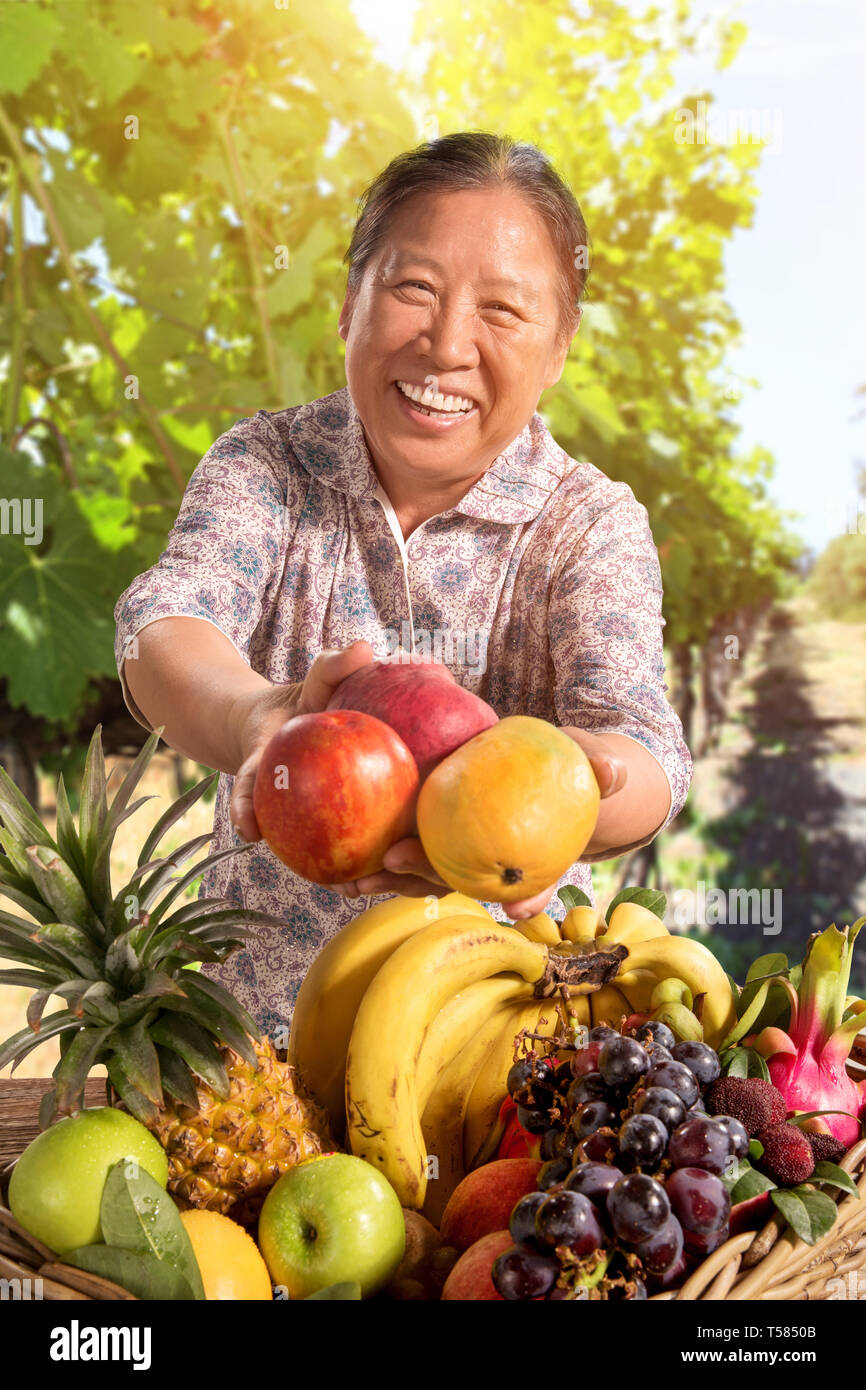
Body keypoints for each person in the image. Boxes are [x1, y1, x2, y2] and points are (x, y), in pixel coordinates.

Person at [114, 132, 692, 1037]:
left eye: (503, 311)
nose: (447, 343)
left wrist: (565, 791)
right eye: (413, 288)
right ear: (350, 306)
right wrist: (257, 722)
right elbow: (164, 622)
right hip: (251, 1044)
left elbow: (647, 750)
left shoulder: (588, 523)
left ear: (558, 351)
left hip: (496, 1049)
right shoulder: (270, 464)